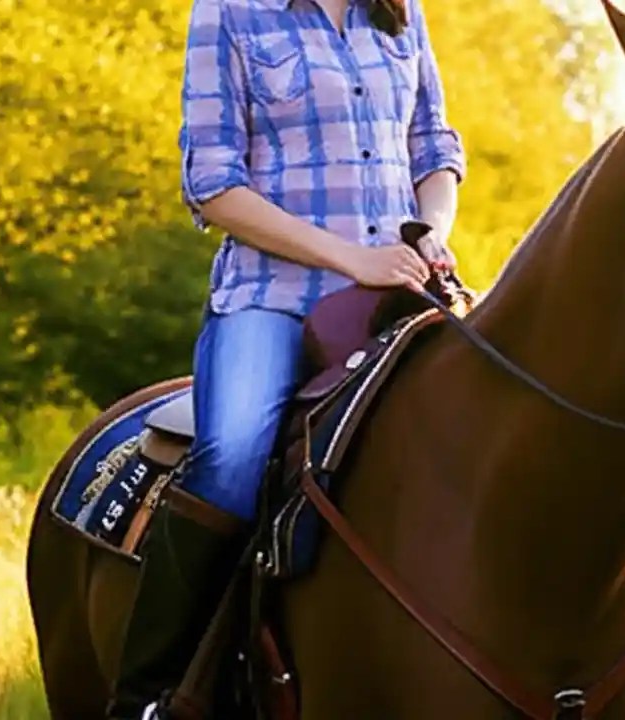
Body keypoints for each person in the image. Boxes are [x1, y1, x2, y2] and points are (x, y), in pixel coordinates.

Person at [106, 0, 466, 716]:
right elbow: (212, 185)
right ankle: (149, 694)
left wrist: (429, 232)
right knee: (234, 457)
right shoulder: (231, 13)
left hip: (395, 295)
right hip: (272, 299)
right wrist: (352, 259)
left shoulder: (398, 12)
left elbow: (435, 149)